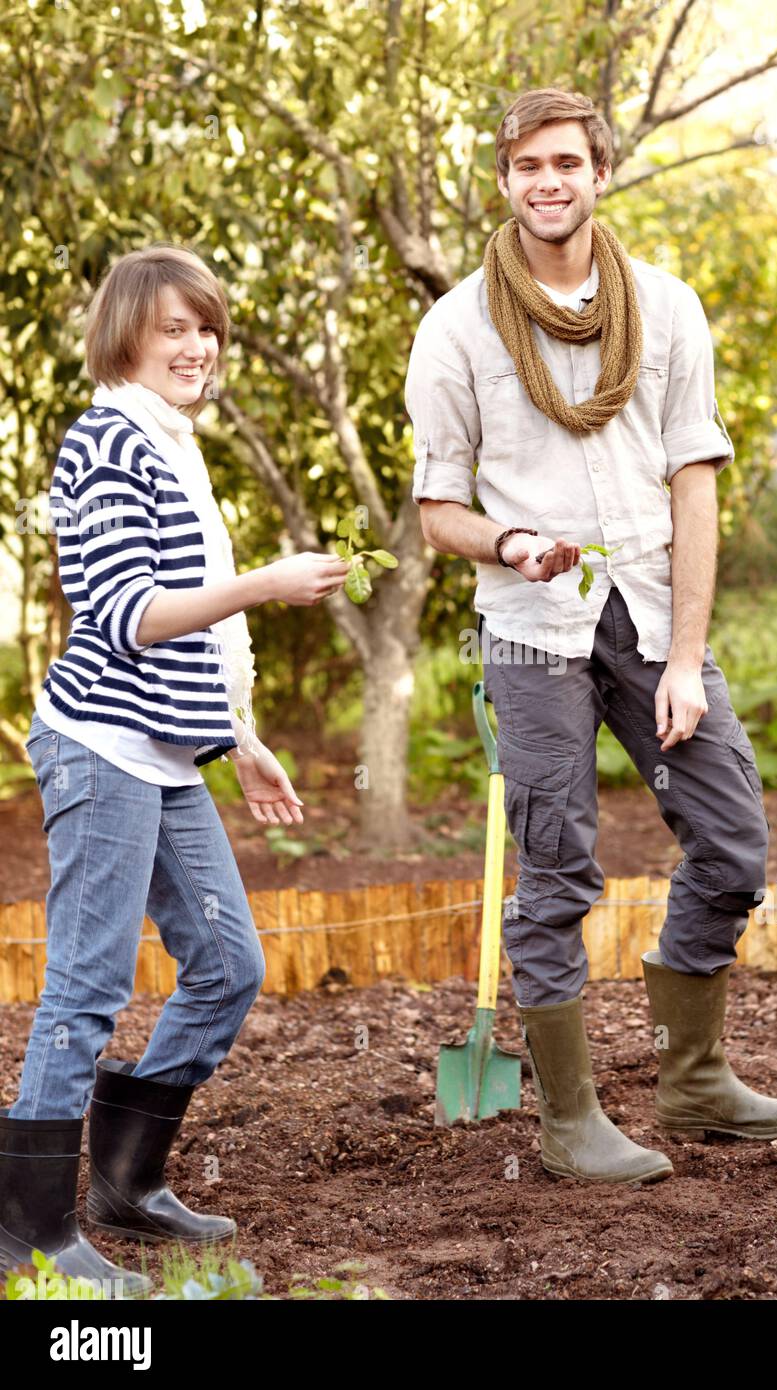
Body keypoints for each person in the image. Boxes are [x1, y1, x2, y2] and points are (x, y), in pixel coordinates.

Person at [405, 89, 777, 1185]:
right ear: (506, 180)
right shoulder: (456, 329)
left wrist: (686, 656)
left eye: (568, 163)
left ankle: (693, 1078)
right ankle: (571, 1121)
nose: (550, 181)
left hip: (645, 614)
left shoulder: (668, 309)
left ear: (599, 172)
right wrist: (507, 541)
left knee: (731, 841)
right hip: (534, 629)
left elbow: (696, 487)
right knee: (556, 872)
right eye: (529, 165)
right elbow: (436, 508)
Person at [0, 244, 350, 1292]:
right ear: (126, 337)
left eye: (207, 327)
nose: (197, 346)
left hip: (165, 753)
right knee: (90, 981)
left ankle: (122, 1176)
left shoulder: (173, 444)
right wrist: (265, 584)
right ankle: (27, 1226)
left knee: (230, 964)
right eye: (175, 328)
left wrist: (239, 739)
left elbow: (187, 639)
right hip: (100, 747)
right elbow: (131, 614)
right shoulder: (105, 442)